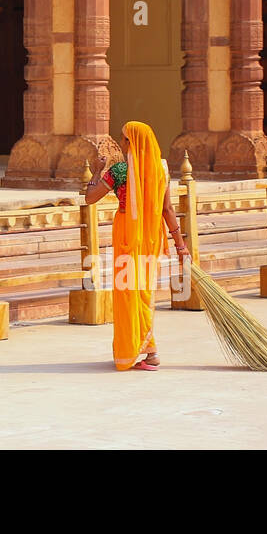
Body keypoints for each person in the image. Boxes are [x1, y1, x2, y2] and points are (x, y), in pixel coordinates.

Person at [83, 120, 190, 371]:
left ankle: (146, 351)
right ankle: (143, 349)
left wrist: (97, 170)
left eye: (123, 139)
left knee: (128, 294)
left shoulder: (119, 171)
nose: (121, 144)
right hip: (150, 239)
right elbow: (168, 209)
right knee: (142, 293)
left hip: (127, 238)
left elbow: (90, 198)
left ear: (131, 143)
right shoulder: (160, 169)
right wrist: (180, 246)